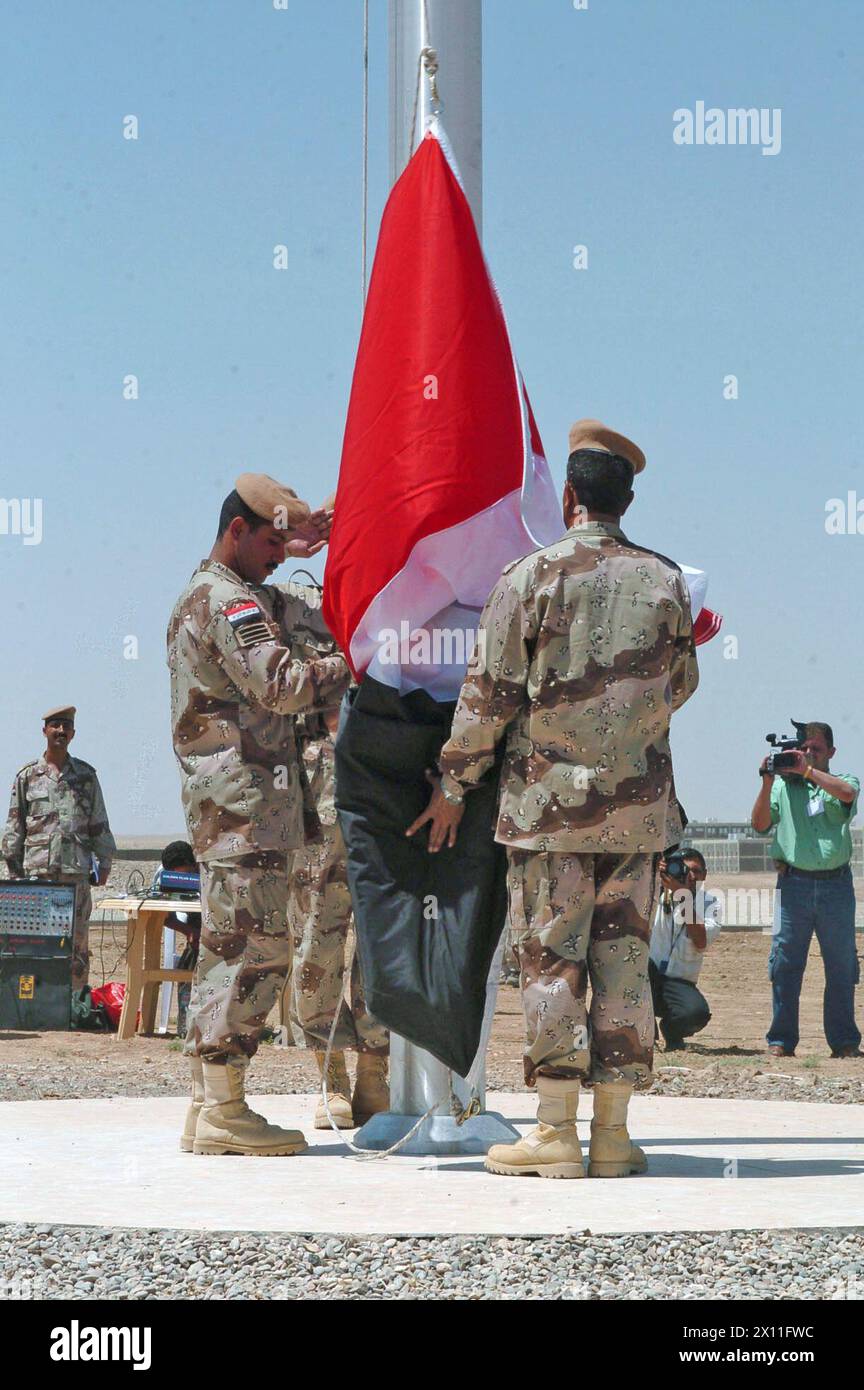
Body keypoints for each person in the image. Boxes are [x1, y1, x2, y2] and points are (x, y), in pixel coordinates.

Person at [408, 419, 699, 1179]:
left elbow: (489, 695)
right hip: (636, 815)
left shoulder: (529, 578)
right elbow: (679, 686)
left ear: (569, 495)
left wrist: (452, 784)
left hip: (550, 816)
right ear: (625, 498)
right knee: (625, 962)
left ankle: (555, 1133)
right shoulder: (666, 581)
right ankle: (612, 1134)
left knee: (552, 963)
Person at [167, 473, 351, 1156]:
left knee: (224, 950)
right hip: (246, 810)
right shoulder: (226, 602)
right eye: (272, 542)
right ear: (237, 531)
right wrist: (352, 662)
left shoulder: (232, 594)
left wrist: (310, 538)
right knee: (256, 951)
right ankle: (224, 1108)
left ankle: (206, 1103)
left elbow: (304, 609)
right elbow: (284, 684)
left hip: (238, 809)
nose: (282, 555)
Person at [280, 579, 389, 1130]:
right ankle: (330, 1074)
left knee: (378, 949)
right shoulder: (292, 618)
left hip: (375, 812)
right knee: (315, 951)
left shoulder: (388, 622)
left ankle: (374, 1072)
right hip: (315, 824)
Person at [751, 721, 861, 1058]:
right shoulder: (784, 788)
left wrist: (809, 771)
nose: (808, 754)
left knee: (841, 965)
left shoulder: (843, 781)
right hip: (792, 886)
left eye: (815, 748)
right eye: (803, 748)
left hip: (835, 887)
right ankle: (781, 1040)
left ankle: (843, 1041)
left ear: (831, 752)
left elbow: (847, 795)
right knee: (785, 963)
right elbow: (759, 824)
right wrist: (768, 781)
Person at [1, 704, 115, 987]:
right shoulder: (27, 776)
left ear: (73, 734)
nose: (60, 731)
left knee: (77, 943)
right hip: (37, 876)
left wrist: (105, 863)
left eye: (66, 727)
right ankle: (36, 1002)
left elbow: (98, 822)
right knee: (34, 941)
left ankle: (76, 1003)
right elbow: (15, 825)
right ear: (45, 731)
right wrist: (14, 873)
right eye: (55, 726)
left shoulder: (86, 776)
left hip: (74, 874)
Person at [648, 849, 722, 1051]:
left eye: (696, 871)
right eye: (684, 869)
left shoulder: (710, 903)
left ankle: (672, 1031)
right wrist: (655, 874)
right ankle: (646, 1035)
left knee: (696, 1014)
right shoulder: (655, 892)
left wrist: (683, 898)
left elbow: (700, 941)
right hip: (648, 975)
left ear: (705, 875)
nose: (690, 876)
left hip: (679, 982)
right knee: (630, 974)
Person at [155, 840, 201, 1038]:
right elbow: (164, 915)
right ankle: (187, 1028)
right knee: (186, 970)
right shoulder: (163, 876)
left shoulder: (211, 871)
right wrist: (188, 931)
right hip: (197, 931)